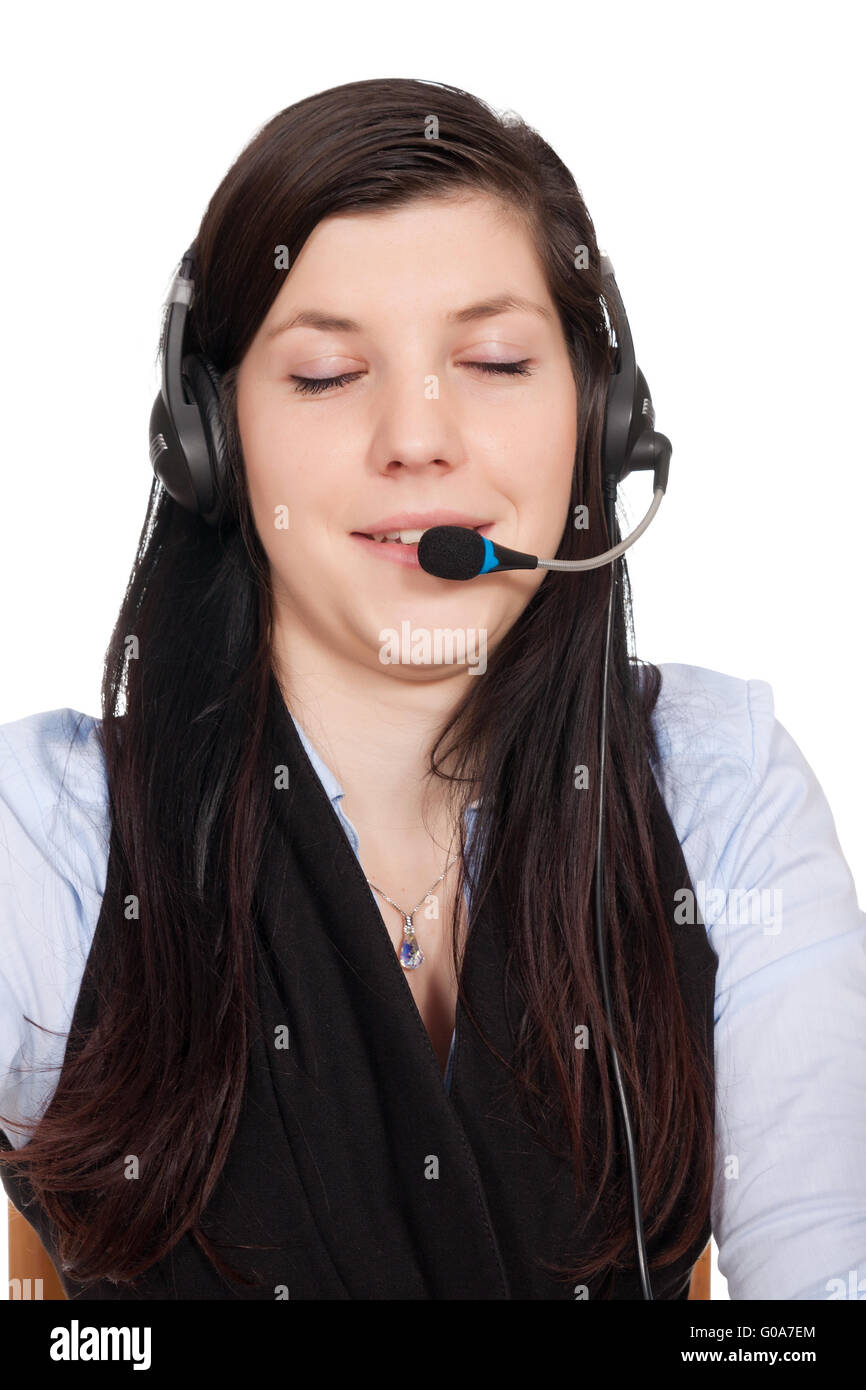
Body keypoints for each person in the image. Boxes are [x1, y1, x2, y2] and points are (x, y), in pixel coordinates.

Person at [1, 77, 864, 1301]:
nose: (418, 437)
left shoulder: (721, 788)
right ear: (206, 445)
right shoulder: (50, 842)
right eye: (323, 375)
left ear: (603, 422)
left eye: (496, 360)